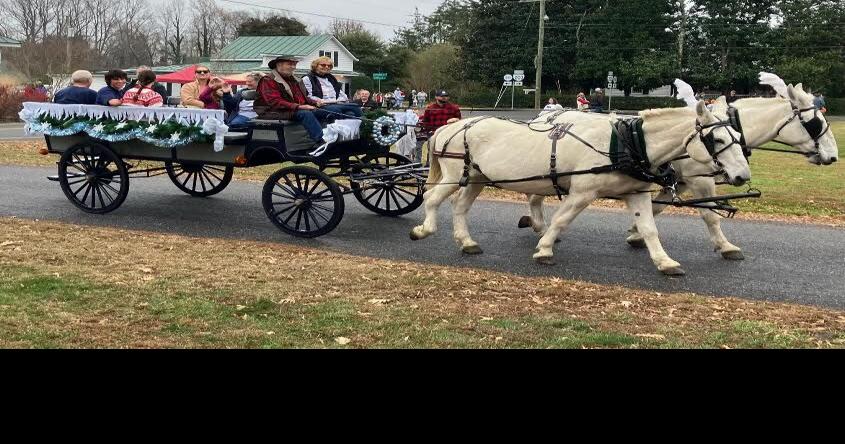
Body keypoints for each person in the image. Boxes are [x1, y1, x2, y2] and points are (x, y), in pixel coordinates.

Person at [254, 55, 325, 147]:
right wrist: (300, 106)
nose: (293, 67)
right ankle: (320, 142)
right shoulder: (268, 80)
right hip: (272, 112)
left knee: (327, 110)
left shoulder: (293, 80)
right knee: (305, 113)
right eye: (290, 64)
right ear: (279, 65)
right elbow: (275, 102)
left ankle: (336, 137)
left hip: (290, 110)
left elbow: (302, 98)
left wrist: (315, 103)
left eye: (294, 64)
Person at [301, 56, 362, 121]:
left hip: (335, 104)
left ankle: (358, 129)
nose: (327, 67)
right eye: (323, 65)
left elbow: (343, 95)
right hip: (318, 107)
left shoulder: (331, 79)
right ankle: (337, 130)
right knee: (337, 110)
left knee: (352, 112)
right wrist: (326, 101)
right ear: (315, 66)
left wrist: (338, 100)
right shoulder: (308, 79)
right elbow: (308, 97)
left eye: (329, 66)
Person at [416, 90, 462, 163]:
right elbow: (425, 121)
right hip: (433, 132)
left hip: (449, 133)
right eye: (442, 96)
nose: (444, 98)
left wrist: (455, 121)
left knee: (449, 150)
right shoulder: (430, 108)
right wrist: (430, 130)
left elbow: (459, 121)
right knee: (432, 149)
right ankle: (429, 165)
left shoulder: (454, 108)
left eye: (446, 96)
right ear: (436, 97)